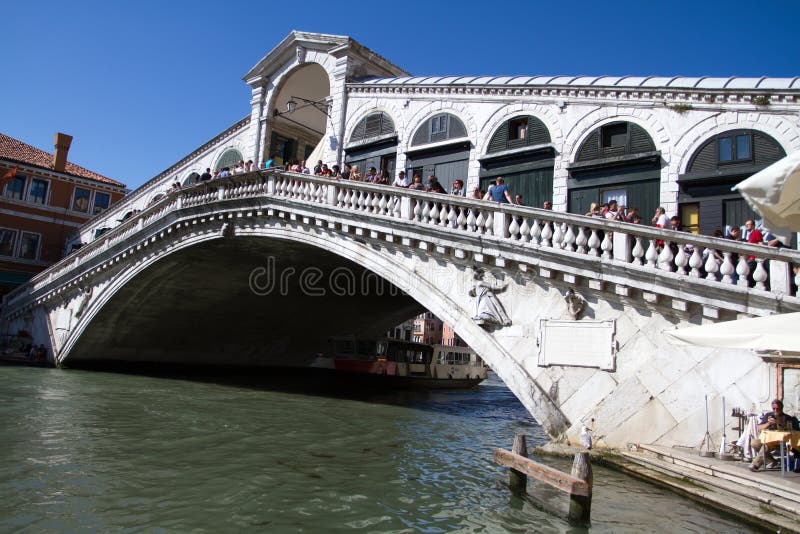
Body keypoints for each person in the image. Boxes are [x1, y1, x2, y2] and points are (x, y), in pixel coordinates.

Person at [750, 399, 800, 471]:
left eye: (778, 408)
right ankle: (773, 462)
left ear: (781, 408)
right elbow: (759, 428)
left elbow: (794, 430)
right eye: (774, 408)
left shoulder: (787, 418)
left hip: (781, 441)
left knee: (766, 446)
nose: (776, 410)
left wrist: (781, 423)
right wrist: (768, 423)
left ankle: (755, 464)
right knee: (754, 443)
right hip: (769, 438)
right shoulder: (769, 415)